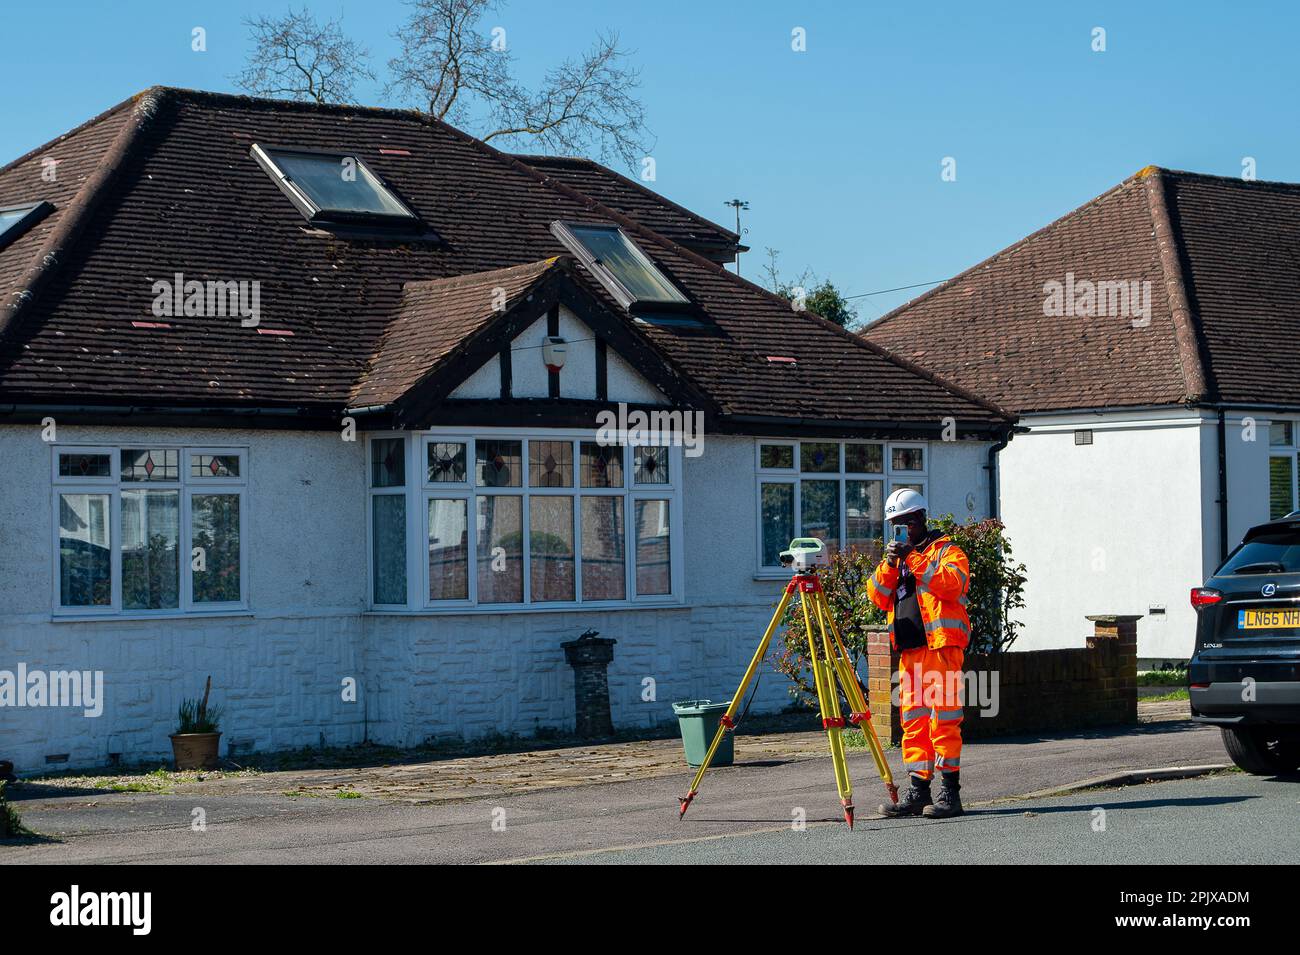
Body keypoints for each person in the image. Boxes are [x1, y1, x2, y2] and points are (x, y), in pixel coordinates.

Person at [866, 489, 971, 818]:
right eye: (894, 525)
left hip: (941, 648)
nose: (901, 530)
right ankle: (918, 791)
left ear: (921, 519)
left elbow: (952, 586)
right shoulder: (895, 561)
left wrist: (913, 557)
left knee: (944, 722)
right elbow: (878, 597)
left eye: (906, 523)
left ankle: (949, 794)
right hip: (911, 652)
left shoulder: (948, 551)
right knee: (913, 723)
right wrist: (889, 563)